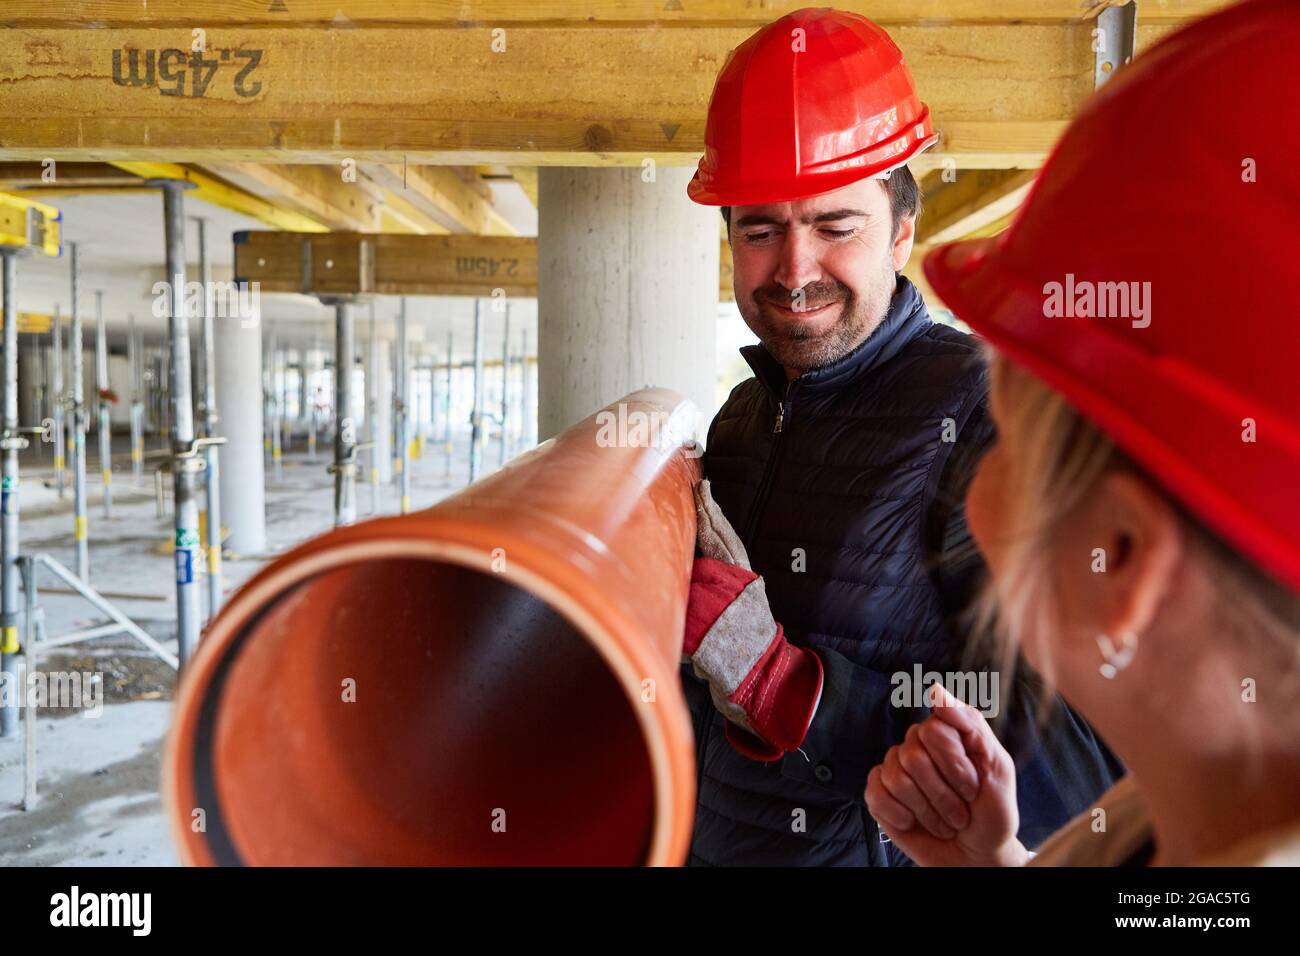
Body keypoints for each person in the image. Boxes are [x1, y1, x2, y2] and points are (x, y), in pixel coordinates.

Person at [679, 7, 1120, 866]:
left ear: (904, 229)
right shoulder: (740, 418)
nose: (795, 271)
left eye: (835, 226)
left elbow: (1084, 769)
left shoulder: (991, 416)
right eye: (759, 230)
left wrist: (794, 692)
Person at [863, 0, 1300, 866]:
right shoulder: (1179, 810)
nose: (978, 501)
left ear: (1123, 556)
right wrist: (993, 861)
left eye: (1010, 447)